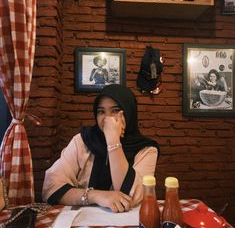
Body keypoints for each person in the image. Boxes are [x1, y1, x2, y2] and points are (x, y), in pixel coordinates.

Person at [42, 84, 159, 212]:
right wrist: (97, 196)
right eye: (101, 112)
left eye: (115, 110)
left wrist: (113, 140)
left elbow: (131, 195)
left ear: (129, 112)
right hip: (82, 222)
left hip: (129, 225)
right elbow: (51, 187)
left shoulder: (146, 149)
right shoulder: (83, 141)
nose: (107, 119)